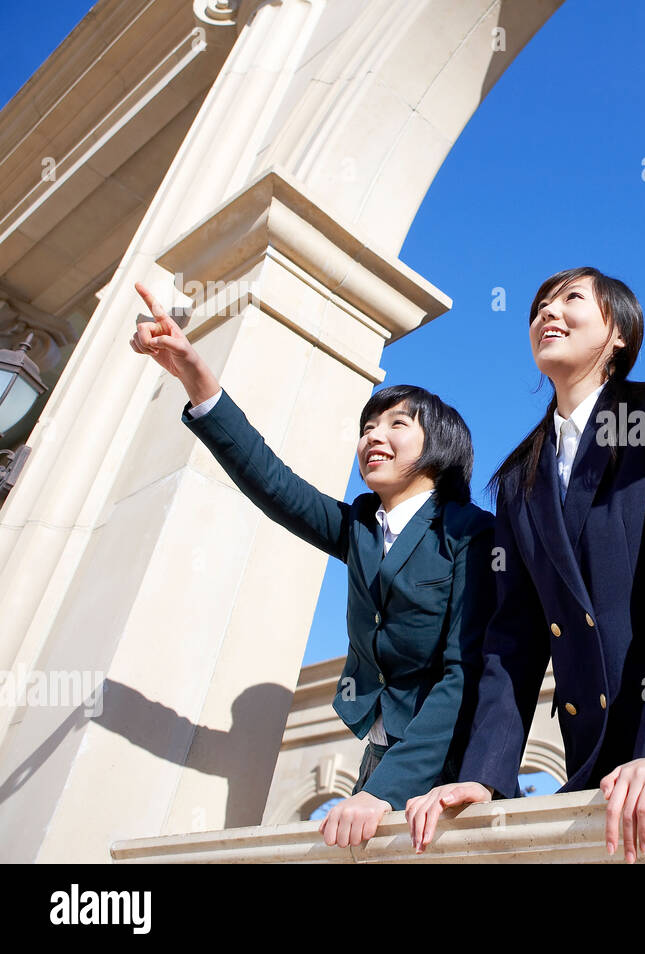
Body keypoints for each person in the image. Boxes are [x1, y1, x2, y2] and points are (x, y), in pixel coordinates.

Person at [127, 282, 495, 848]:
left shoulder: (471, 532)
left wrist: (384, 792)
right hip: (378, 758)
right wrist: (194, 375)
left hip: (446, 764)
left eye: (398, 423)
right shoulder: (359, 530)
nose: (374, 435)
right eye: (368, 426)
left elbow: (460, 672)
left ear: (441, 445)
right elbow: (273, 485)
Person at [404, 267, 645, 863]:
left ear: (620, 332)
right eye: (539, 307)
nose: (548, 312)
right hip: (591, 763)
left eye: (571, 299)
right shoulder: (518, 475)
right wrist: (486, 774)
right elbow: (512, 642)